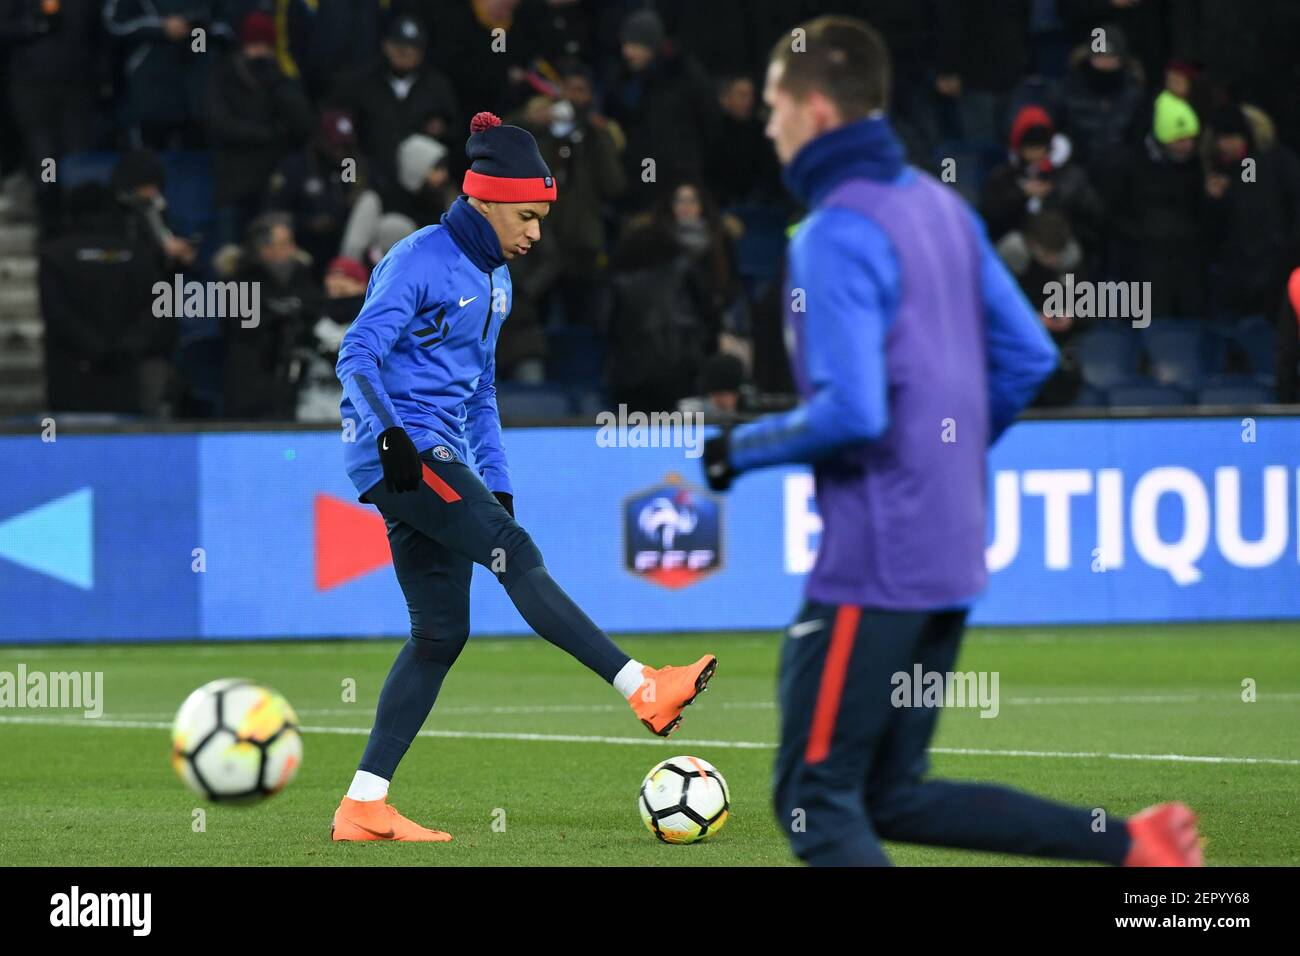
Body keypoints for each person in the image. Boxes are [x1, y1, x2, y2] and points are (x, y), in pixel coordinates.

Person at [702, 15, 1203, 868]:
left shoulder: (832, 232)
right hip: (949, 555)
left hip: (875, 564)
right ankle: (1134, 847)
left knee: (815, 806)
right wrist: (947, 457)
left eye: (776, 105)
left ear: (817, 108)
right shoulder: (943, 207)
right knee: (891, 793)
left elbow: (853, 414)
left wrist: (733, 452)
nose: (767, 122)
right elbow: (1031, 358)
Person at [330, 112, 717, 843]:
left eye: (542, 217)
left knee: (441, 634)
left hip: (435, 454)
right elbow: (356, 356)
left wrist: (497, 480)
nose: (537, 232)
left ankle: (363, 805)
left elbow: (479, 391)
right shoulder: (416, 259)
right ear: (485, 200)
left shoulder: (498, 281)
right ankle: (642, 687)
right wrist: (391, 437)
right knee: (517, 553)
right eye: (528, 215)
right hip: (406, 454)